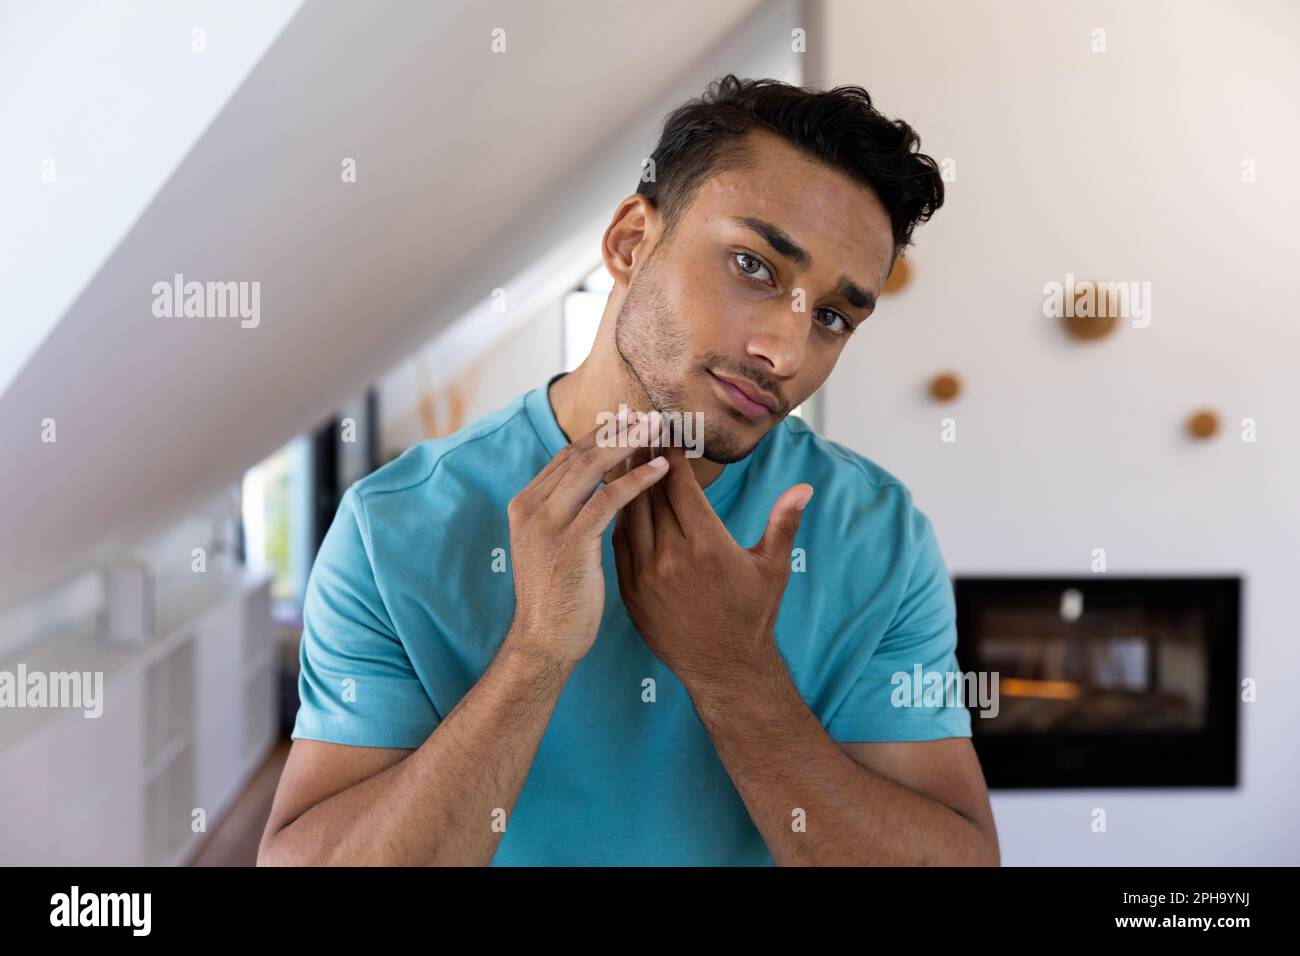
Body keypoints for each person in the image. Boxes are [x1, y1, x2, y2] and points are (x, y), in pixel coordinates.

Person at [259, 75, 999, 866]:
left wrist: (736, 674)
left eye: (830, 317)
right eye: (753, 266)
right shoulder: (396, 526)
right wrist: (536, 654)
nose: (784, 353)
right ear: (628, 243)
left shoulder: (877, 534)